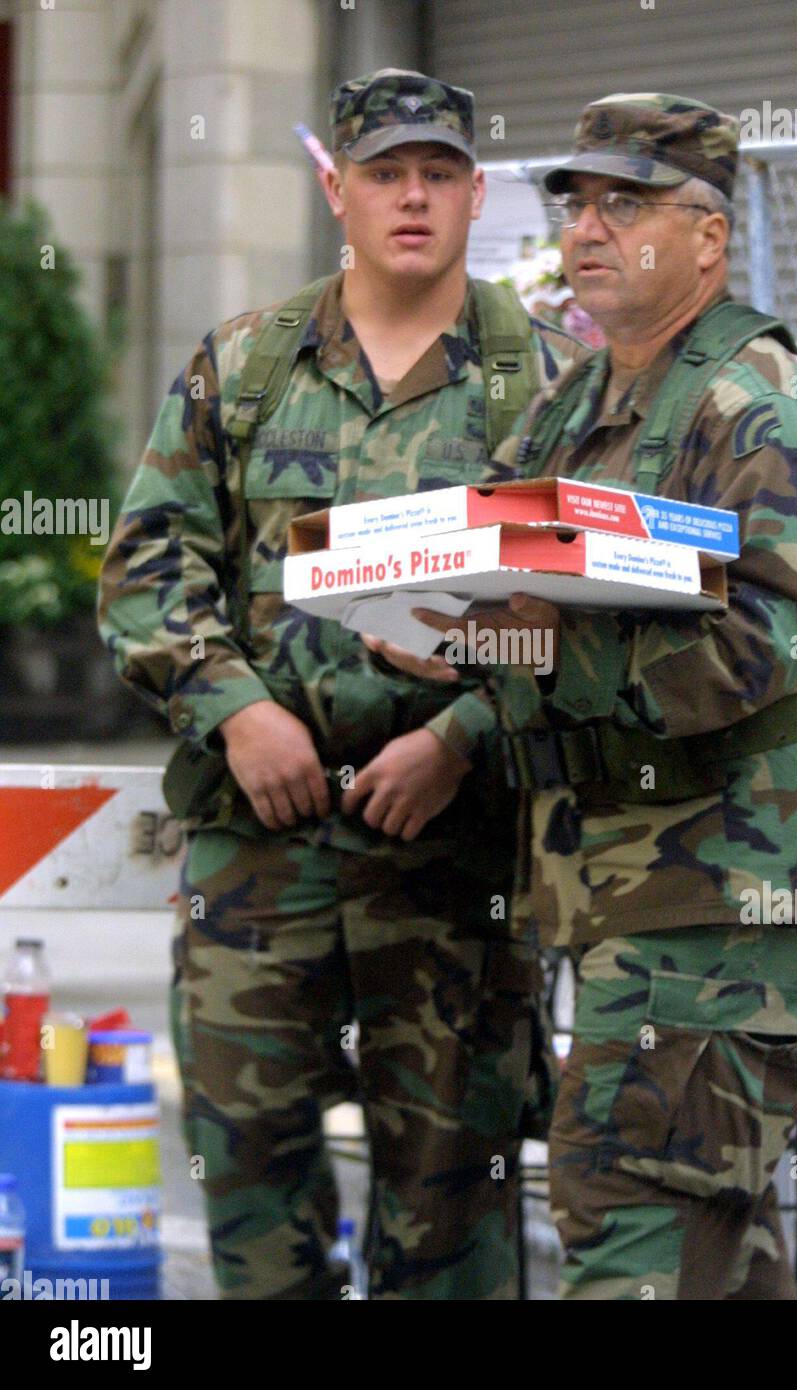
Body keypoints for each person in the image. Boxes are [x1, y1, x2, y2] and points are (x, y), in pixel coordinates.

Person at [370, 91, 797, 1299]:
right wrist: (436, 648)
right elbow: (496, 573)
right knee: (714, 1236)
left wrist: (529, 653)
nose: (590, 226)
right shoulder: (578, 405)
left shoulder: (758, 412)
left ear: (708, 237)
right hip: (621, 880)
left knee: (626, 1199)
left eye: (627, 203)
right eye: (578, 201)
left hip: (721, 883)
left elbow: (758, 644)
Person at [97, 68, 585, 1301]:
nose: (410, 196)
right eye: (384, 174)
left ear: (478, 196)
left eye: (436, 174)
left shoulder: (547, 389)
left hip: (454, 867)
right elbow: (147, 572)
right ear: (338, 191)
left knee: (450, 1207)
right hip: (260, 858)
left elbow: (595, 621)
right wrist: (237, 709)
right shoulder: (247, 368)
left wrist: (467, 732)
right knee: (249, 1181)